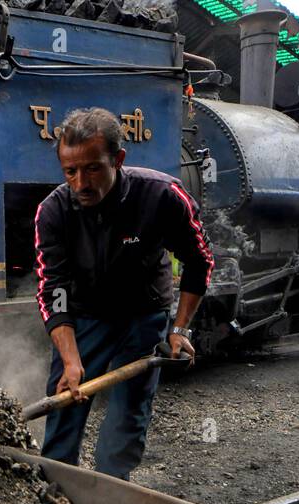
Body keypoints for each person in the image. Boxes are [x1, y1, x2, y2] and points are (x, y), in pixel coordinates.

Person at [34, 107, 213, 481]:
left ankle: (111, 493)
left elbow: (200, 263)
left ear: (118, 159)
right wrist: (70, 358)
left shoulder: (162, 196)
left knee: (127, 414)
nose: (81, 182)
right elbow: (54, 291)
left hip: (143, 315)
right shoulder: (53, 212)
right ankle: (55, 490)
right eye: (70, 172)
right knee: (65, 401)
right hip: (84, 318)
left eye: (93, 168)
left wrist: (180, 331)